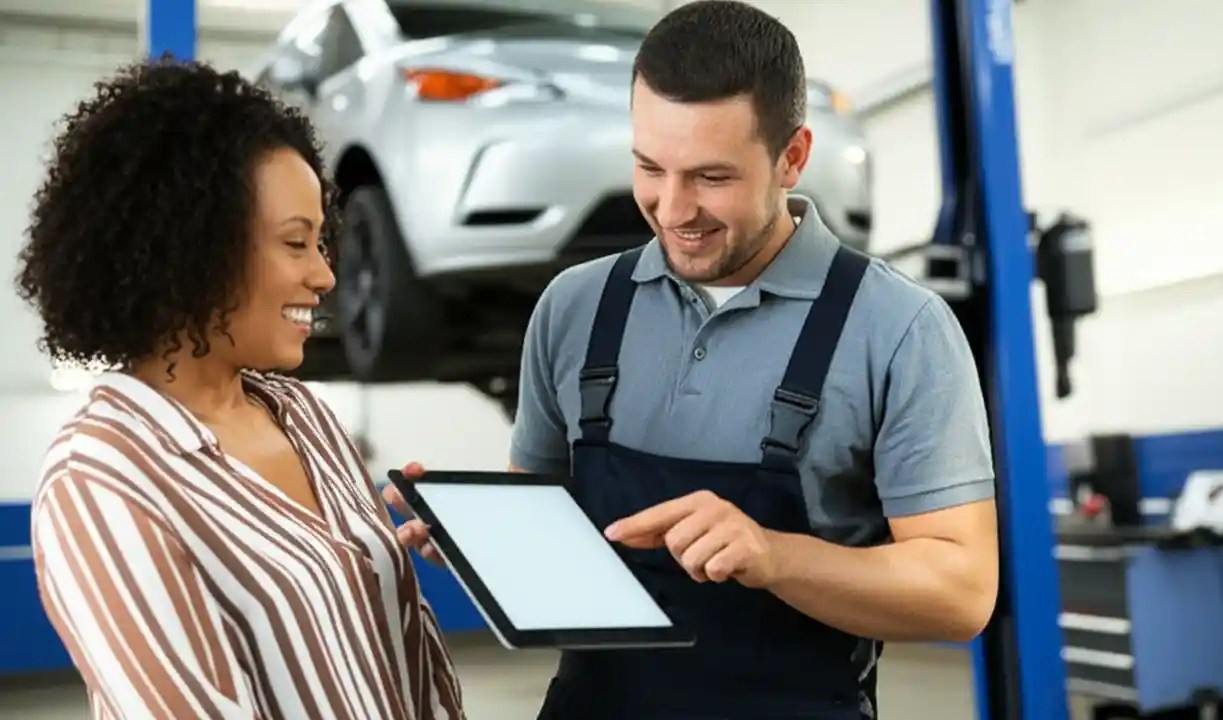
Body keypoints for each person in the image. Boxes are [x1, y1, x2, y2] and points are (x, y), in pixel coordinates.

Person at [387, 1, 999, 718]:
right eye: (650, 166)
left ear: (792, 158)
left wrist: (774, 557)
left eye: (712, 177)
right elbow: (550, 537)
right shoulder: (573, 308)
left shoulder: (898, 328)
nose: (673, 208)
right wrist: (479, 540)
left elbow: (961, 593)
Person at [17, 59, 464, 720]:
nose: (325, 276)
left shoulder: (303, 415)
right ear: (190, 249)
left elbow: (414, 667)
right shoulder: (100, 482)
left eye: (323, 241)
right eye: (295, 243)